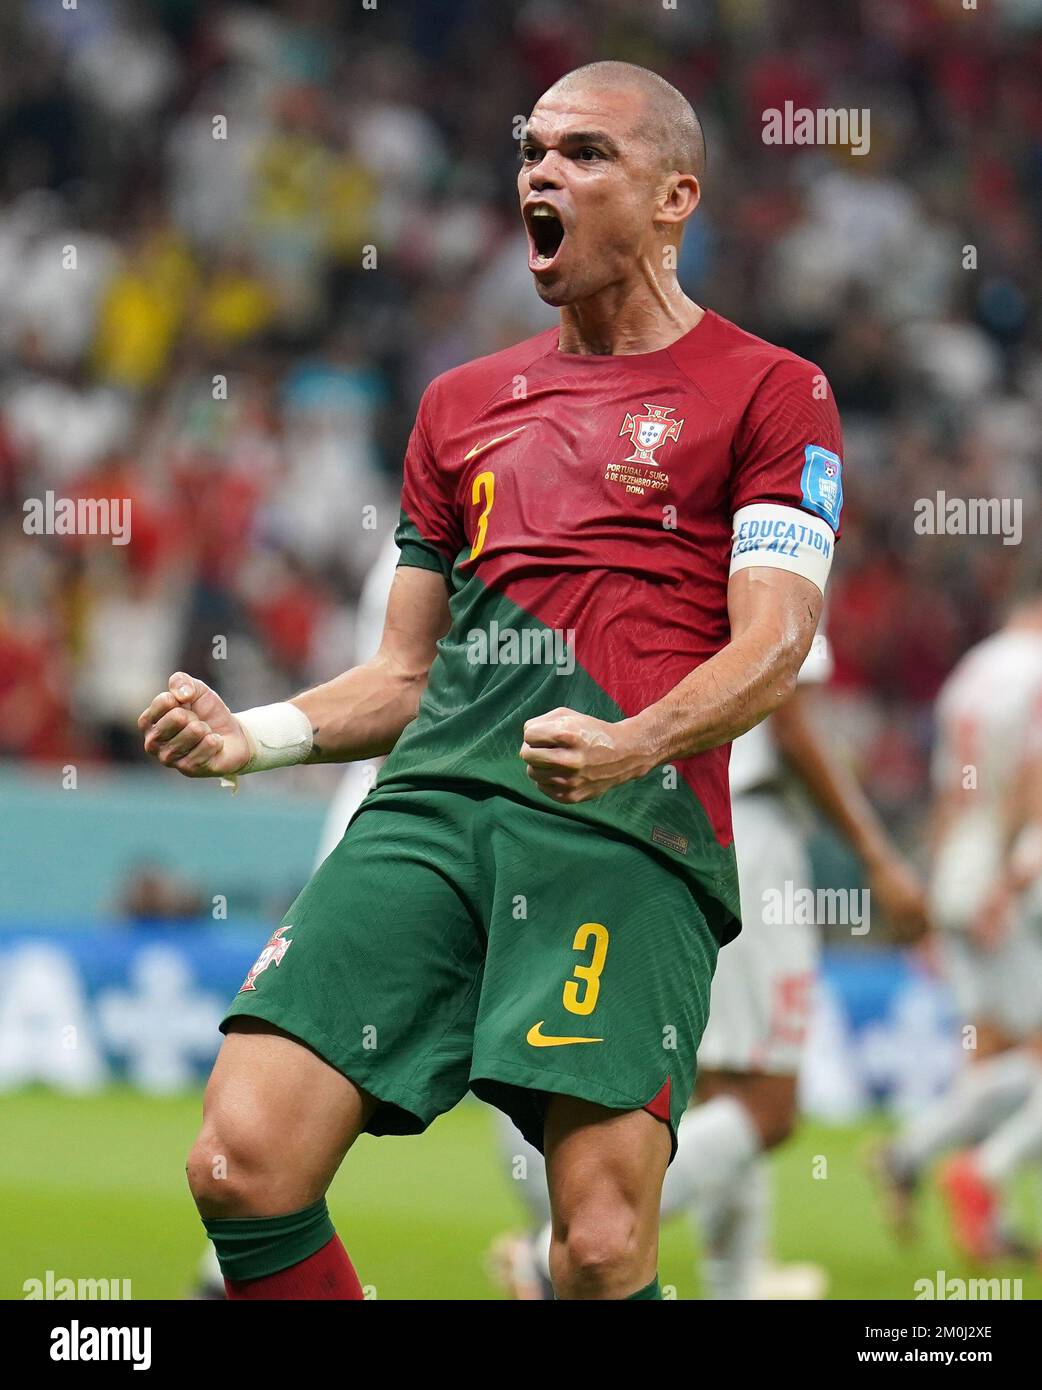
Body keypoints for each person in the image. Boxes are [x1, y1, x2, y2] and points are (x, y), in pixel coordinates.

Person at [138, 61, 843, 1301]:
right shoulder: (461, 404)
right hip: (428, 816)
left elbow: (774, 643)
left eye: (583, 154)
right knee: (240, 1162)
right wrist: (252, 735)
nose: (540, 172)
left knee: (600, 1245)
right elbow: (405, 672)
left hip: (624, 832)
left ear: (675, 195)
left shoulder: (774, 391)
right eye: (533, 152)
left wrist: (635, 744)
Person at [877, 585, 1042, 1258]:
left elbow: (952, 791)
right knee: (1029, 1058)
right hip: (1011, 877)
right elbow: (1033, 772)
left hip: (957, 876)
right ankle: (978, 1171)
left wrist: (938, 898)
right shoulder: (1034, 671)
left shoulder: (970, 674)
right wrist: (1009, 873)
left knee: (993, 1052)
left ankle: (925, 1165)